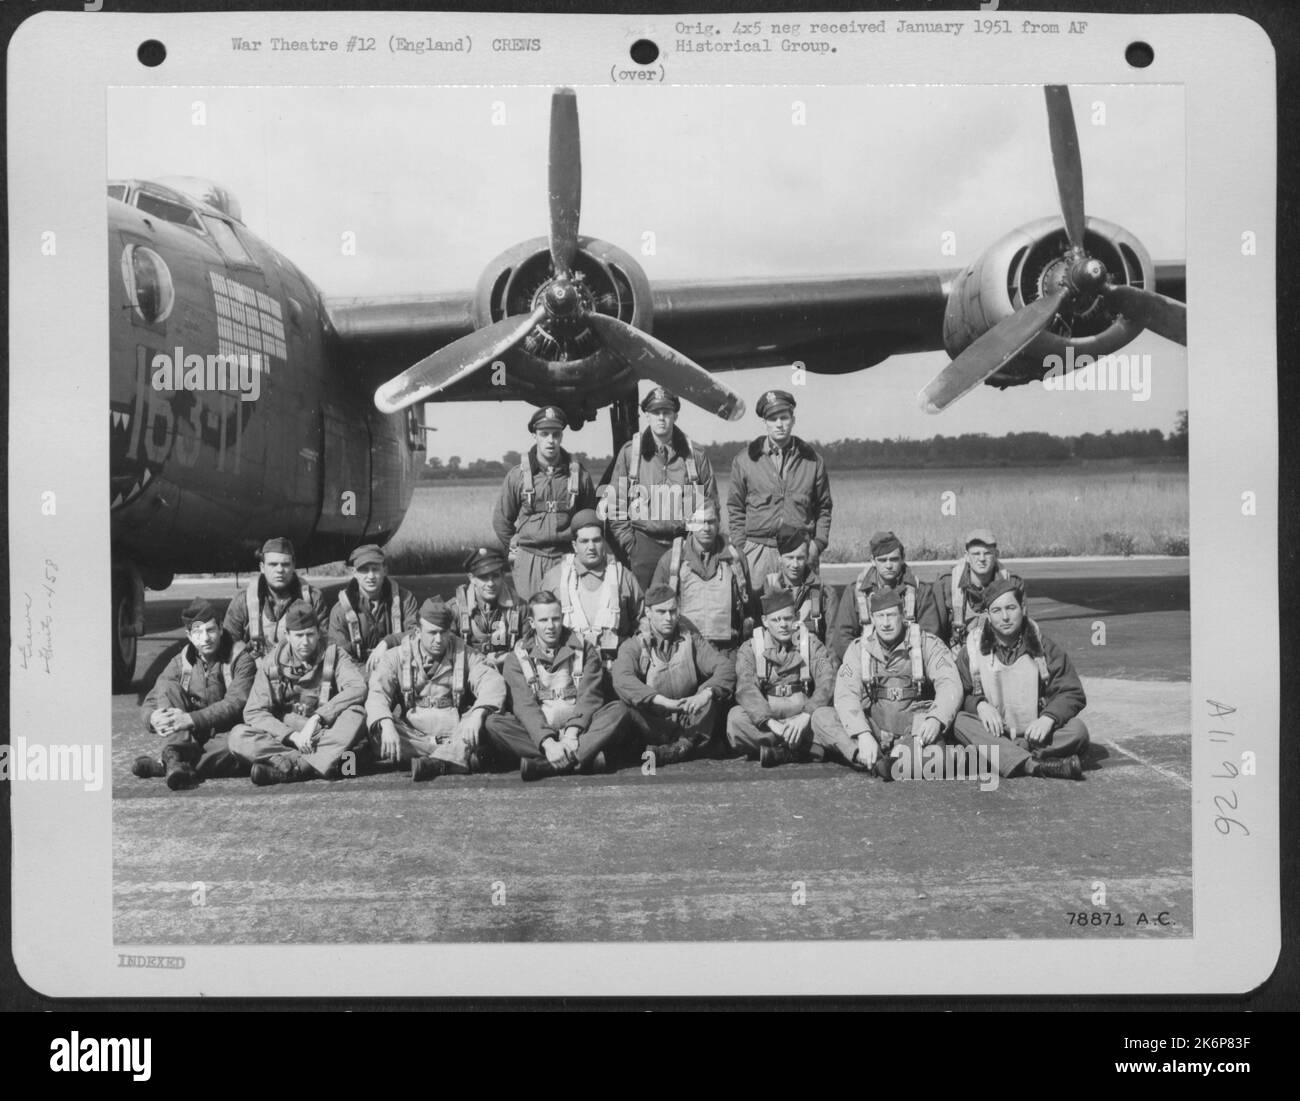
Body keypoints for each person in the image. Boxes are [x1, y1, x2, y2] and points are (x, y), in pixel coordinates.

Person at [811, 589, 962, 779]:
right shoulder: (859, 649)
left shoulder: (927, 644)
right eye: (880, 616)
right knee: (821, 717)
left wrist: (936, 718)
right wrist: (862, 734)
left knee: (939, 758)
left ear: (903, 616)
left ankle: (884, 763)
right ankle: (866, 756)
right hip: (874, 729)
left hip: (914, 732)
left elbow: (949, 683)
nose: (886, 623)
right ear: (872, 619)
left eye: (891, 615)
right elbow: (846, 694)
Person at [482, 591, 630, 781]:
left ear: (563, 618)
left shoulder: (584, 649)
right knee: (494, 723)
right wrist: (549, 743)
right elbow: (524, 706)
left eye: (555, 619)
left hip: (580, 729)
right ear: (532, 623)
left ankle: (547, 766)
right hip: (540, 731)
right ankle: (581, 759)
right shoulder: (515, 658)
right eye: (543, 620)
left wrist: (571, 733)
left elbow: (589, 696)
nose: (550, 626)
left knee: (619, 710)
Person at [952, 577, 1088, 780]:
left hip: (1034, 734)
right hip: (994, 733)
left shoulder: (1044, 647)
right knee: (960, 722)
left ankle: (1008, 755)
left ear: (1023, 609)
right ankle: (1034, 765)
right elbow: (959, 693)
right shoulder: (971, 649)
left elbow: (1072, 692)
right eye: (997, 611)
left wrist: (1048, 718)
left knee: (1078, 731)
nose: (1005, 617)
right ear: (988, 615)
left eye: (1011, 608)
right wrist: (979, 705)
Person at [366, 598, 508, 782]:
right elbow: (377, 694)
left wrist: (477, 715)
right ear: (417, 632)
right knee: (376, 730)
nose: (438, 640)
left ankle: (433, 761)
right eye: (432, 633)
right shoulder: (395, 657)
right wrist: (386, 725)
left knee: (485, 720)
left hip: (456, 730)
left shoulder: (465, 654)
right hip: (412, 732)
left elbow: (491, 681)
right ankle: (453, 758)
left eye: (443, 633)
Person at [228, 602, 367, 785]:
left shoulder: (334, 654)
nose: (305, 642)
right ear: (287, 635)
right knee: (238, 737)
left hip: (323, 732)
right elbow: (254, 711)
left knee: (356, 714)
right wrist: (292, 736)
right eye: (299, 636)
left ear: (318, 632)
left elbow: (358, 688)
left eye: (310, 634)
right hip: (288, 737)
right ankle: (318, 762)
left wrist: (318, 717)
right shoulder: (272, 663)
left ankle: (296, 768)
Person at [133, 599, 256, 789]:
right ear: (189, 635)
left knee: (235, 747)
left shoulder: (240, 658)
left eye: (210, 630)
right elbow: (153, 696)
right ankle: (176, 757)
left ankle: (170, 762)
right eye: (198, 633)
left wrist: (190, 719)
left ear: (221, 628)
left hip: (228, 732)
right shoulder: (181, 661)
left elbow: (235, 703)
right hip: (191, 736)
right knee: (167, 687)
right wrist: (152, 717)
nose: (205, 638)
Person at [606, 387, 719, 589]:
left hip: (686, 542)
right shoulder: (631, 454)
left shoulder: (695, 455)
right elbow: (615, 506)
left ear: (675, 415)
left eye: (666, 413)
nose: (661, 418)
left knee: (685, 609)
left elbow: (710, 503)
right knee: (647, 609)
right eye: (656, 413)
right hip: (644, 545)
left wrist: (698, 543)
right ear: (646, 416)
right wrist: (631, 545)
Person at [612, 584, 736, 766]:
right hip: (655, 721)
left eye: (673, 611)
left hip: (689, 718)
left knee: (712, 696)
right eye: (661, 612)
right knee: (625, 708)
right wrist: (662, 701)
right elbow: (622, 679)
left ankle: (678, 749)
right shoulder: (634, 646)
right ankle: (687, 748)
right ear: (648, 612)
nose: (668, 618)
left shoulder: (691, 639)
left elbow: (725, 667)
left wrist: (705, 694)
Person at [726, 389, 833, 586]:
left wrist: (817, 545)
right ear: (764, 422)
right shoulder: (745, 460)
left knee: (805, 610)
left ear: (793, 419)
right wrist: (742, 546)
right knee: (756, 611)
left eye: (784, 417)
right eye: (773, 418)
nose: (779, 424)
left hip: (799, 553)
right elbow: (735, 507)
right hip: (757, 551)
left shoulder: (812, 460)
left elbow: (824, 508)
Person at [492, 405, 597, 600]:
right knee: (530, 615)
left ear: (561, 436)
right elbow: (501, 520)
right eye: (544, 434)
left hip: (566, 557)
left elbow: (590, 519)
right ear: (535, 436)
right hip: (529, 559)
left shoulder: (579, 476)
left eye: (556, 434)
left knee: (567, 616)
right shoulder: (517, 476)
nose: (550, 440)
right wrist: (515, 547)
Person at [725, 589, 836, 767]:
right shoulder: (750, 647)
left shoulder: (810, 643)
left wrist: (807, 714)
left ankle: (782, 749)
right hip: (768, 715)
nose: (783, 625)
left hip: (802, 715)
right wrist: (771, 723)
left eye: (787, 618)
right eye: (776, 620)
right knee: (735, 719)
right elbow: (746, 687)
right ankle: (801, 749)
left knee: (828, 718)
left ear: (796, 618)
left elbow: (828, 678)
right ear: (765, 621)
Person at [541, 509, 644, 670]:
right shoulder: (554, 579)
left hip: (615, 665)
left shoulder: (624, 577)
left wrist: (632, 653)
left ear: (604, 542)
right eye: (584, 541)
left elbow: (642, 621)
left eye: (596, 540)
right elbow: (539, 625)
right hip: (567, 667)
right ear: (574, 545)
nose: (591, 547)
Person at [650, 500, 753, 655]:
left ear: (719, 522)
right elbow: (653, 609)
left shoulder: (735, 558)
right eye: (699, 522)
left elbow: (749, 609)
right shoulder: (671, 561)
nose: (706, 528)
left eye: (711, 521)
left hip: (727, 649)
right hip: (684, 649)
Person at [828, 530, 940, 661]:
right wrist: (862, 662)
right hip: (866, 663)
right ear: (873, 561)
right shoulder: (855, 592)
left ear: (903, 558)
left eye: (894, 559)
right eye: (882, 560)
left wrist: (901, 663)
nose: (888, 565)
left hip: (908, 663)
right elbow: (842, 638)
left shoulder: (920, 591)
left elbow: (930, 636)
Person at [223, 536, 329, 658]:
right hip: (255, 672)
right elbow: (227, 649)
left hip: (301, 671)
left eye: (285, 564)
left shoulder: (312, 598)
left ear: (294, 565)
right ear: (262, 567)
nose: (280, 570)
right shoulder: (243, 601)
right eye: (273, 564)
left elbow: (324, 643)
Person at [327, 543, 419, 673]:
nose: (370, 576)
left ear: (385, 570)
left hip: (399, 669)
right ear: (354, 573)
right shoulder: (340, 610)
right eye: (364, 570)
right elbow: (339, 655)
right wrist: (371, 676)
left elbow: (417, 634)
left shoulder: (405, 599)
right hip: (358, 675)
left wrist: (388, 642)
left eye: (375, 569)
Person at [446, 547, 525, 669]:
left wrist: (506, 658)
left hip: (509, 669)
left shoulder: (520, 608)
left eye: (495, 576)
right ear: (472, 578)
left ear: (503, 575)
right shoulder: (454, 610)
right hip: (467, 671)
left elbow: (529, 645)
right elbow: (445, 651)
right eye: (483, 577)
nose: (491, 583)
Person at [934, 528, 1011, 650]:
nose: (981, 559)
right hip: (957, 657)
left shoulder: (1011, 584)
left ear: (996, 555)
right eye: (976, 554)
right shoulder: (946, 584)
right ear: (967, 557)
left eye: (987, 553)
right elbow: (935, 635)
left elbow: (1022, 631)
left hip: (998, 654)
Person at [759, 526, 835, 645]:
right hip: (778, 659)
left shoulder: (824, 592)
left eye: (800, 558)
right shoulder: (768, 587)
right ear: (780, 559)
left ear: (807, 559)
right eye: (789, 558)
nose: (795, 564)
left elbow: (833, 640)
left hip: (813, 658)